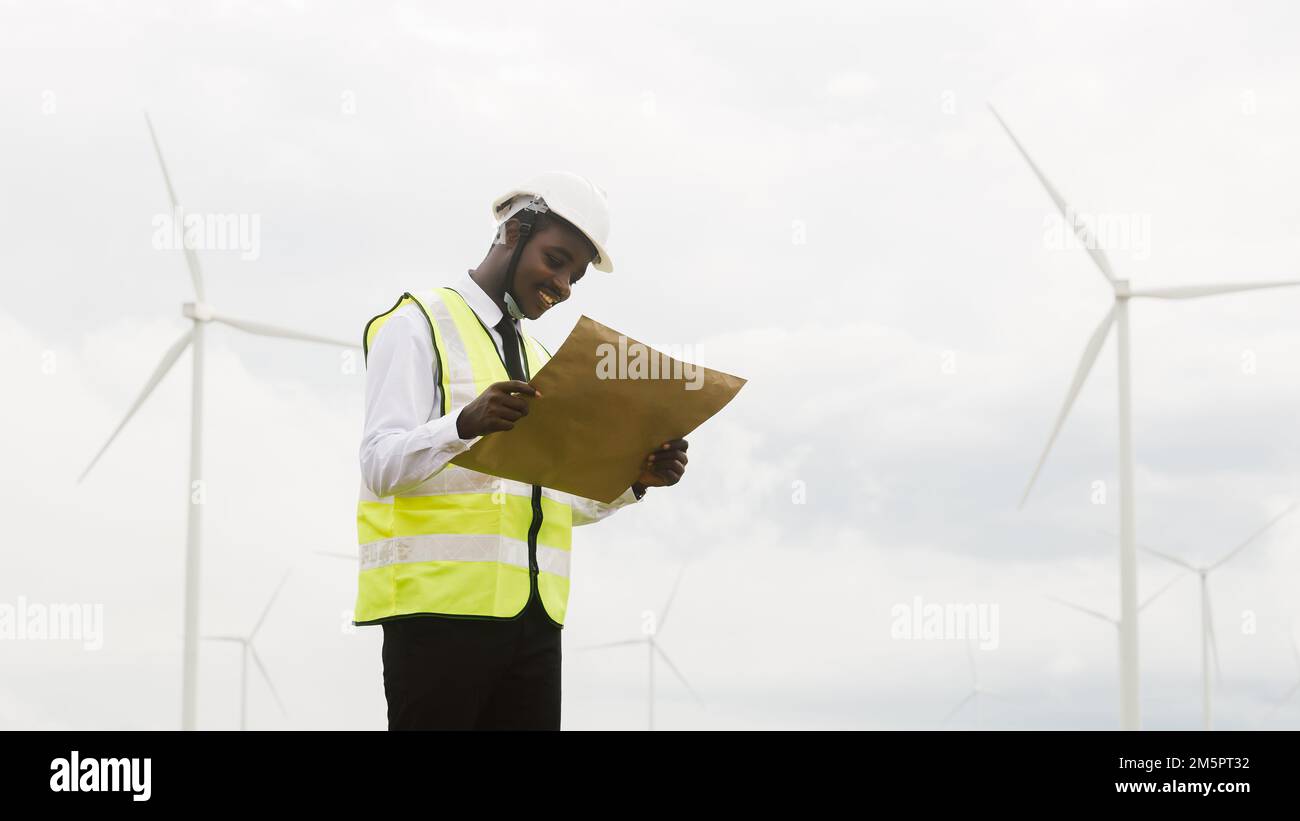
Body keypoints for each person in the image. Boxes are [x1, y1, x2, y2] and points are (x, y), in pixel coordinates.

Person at [354, 172, 690, 730]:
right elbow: (379, 465)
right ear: (513, 232)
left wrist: (635, 481)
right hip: (439, 616)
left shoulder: (538, 358)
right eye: (555, 260)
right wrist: (464, 423)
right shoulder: (418, 324)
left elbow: (549, 495)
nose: (562, 285)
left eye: (575, 277)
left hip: (533, 622)